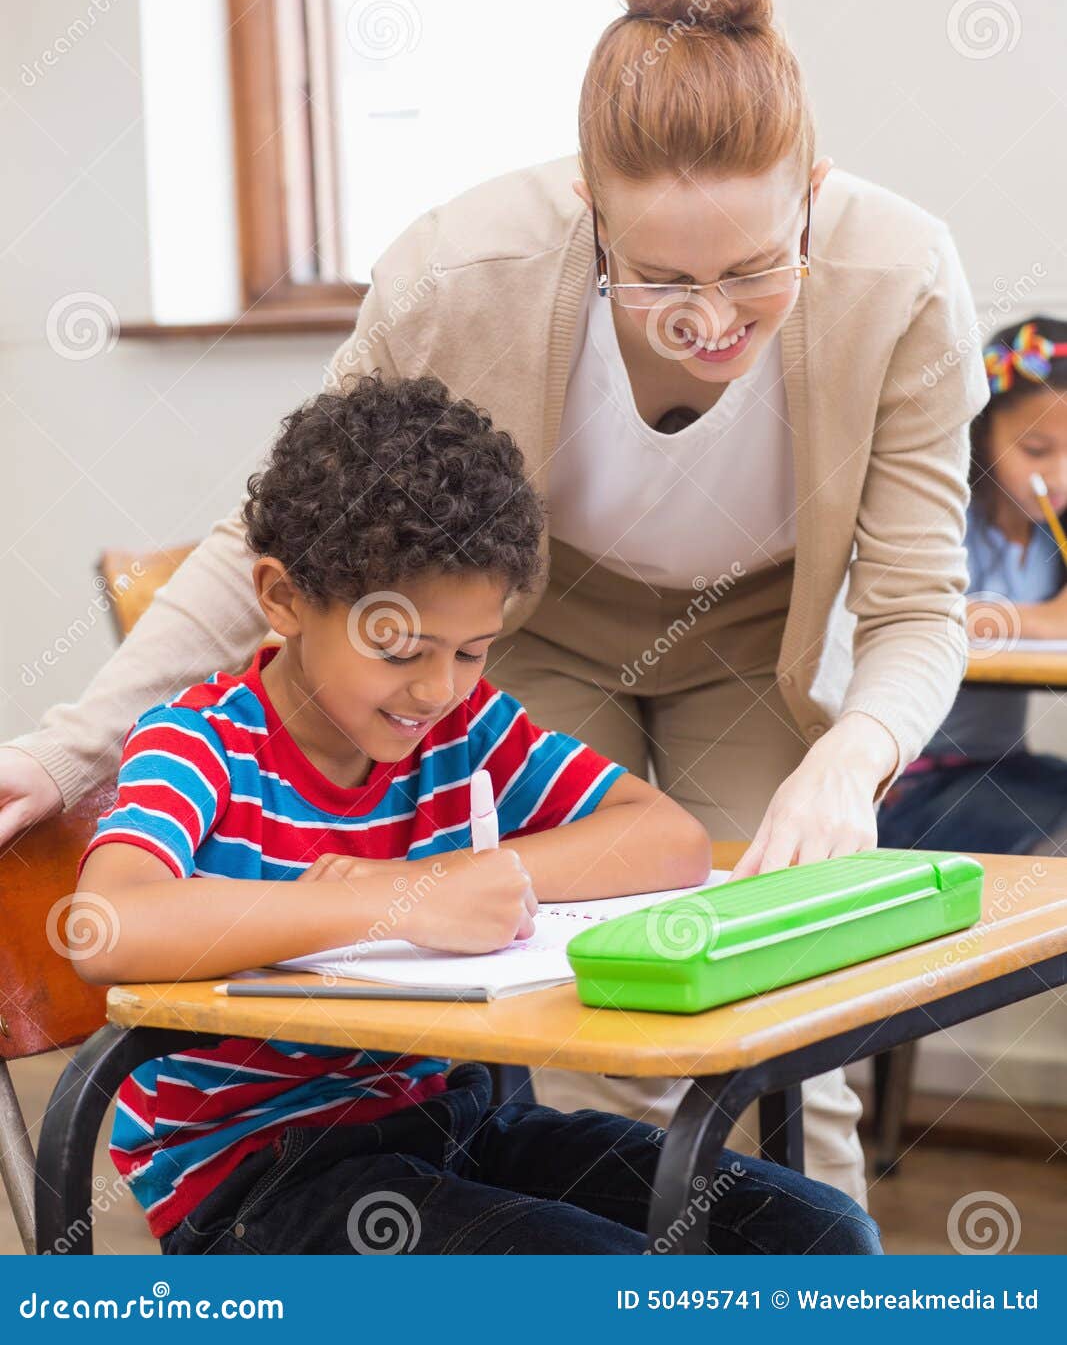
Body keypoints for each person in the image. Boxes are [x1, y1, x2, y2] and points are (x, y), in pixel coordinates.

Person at [3, 0, 989, 1202]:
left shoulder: (899, 279)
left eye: (753, 270)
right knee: (593, 1020)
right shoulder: (457, 273)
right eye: (660, 280)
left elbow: (913, 605)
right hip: (540, 636)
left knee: (791, 1030)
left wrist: (851, 758)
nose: (709, 323)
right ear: (587, 209)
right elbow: (268, 539)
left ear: (814, 191)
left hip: (758, 640)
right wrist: (71, 744)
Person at [71, 376, 881, 1256]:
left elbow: (670, 841)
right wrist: (397, 903)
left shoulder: (463, 728)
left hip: (455, 1123)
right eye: (400, 650)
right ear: (282, 597)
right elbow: (106, 926)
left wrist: (462, 880)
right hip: (257, 1181)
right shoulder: (201, 745)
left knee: (817, 1236)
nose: (436, 688)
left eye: (471, 651)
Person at [879, 319, 1067, 856]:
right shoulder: (945, 520)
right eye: (1036, 450)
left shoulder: (1052, 533)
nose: (1060, 475)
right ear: (983, 435)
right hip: (917, 783)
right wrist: (1047, 620)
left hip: (1009, 767)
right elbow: (914, 614)